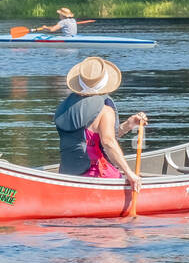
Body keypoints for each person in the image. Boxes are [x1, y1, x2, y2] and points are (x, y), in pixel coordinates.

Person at [54, 56, 147, 185]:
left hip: (67, 174)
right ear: (104, 83)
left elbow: (90, 138)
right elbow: (108, 142)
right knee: (122, 176)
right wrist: (130, 174)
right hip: (96, 174)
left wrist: (128, 125)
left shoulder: (66, 108)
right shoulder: (105, 110)